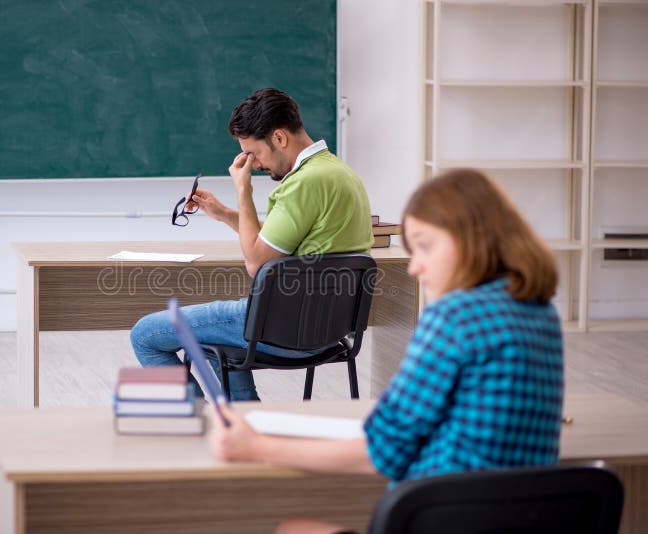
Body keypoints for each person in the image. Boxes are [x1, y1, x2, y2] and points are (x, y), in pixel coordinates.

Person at [209, 169, 565, 534]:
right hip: (519, 521)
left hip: (442, 518)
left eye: (425, 246)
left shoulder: (455, 317)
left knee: (292, 528)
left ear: (471, 238)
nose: (415, 267)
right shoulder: (540, 312)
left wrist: (259, 448)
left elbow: (380, 453)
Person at [130, 88, 373, 401]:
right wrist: (226, 215)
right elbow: (275, 247)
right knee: (217, 331)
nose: (254, 164)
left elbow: (257, 264)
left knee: (145, 334)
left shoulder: (302, 184)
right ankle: (246, 414)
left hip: (284, 329)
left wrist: (243, 192)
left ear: (280, 138)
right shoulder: (340, 173)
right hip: (328, 330)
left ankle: (201, 423)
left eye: (254, 153)